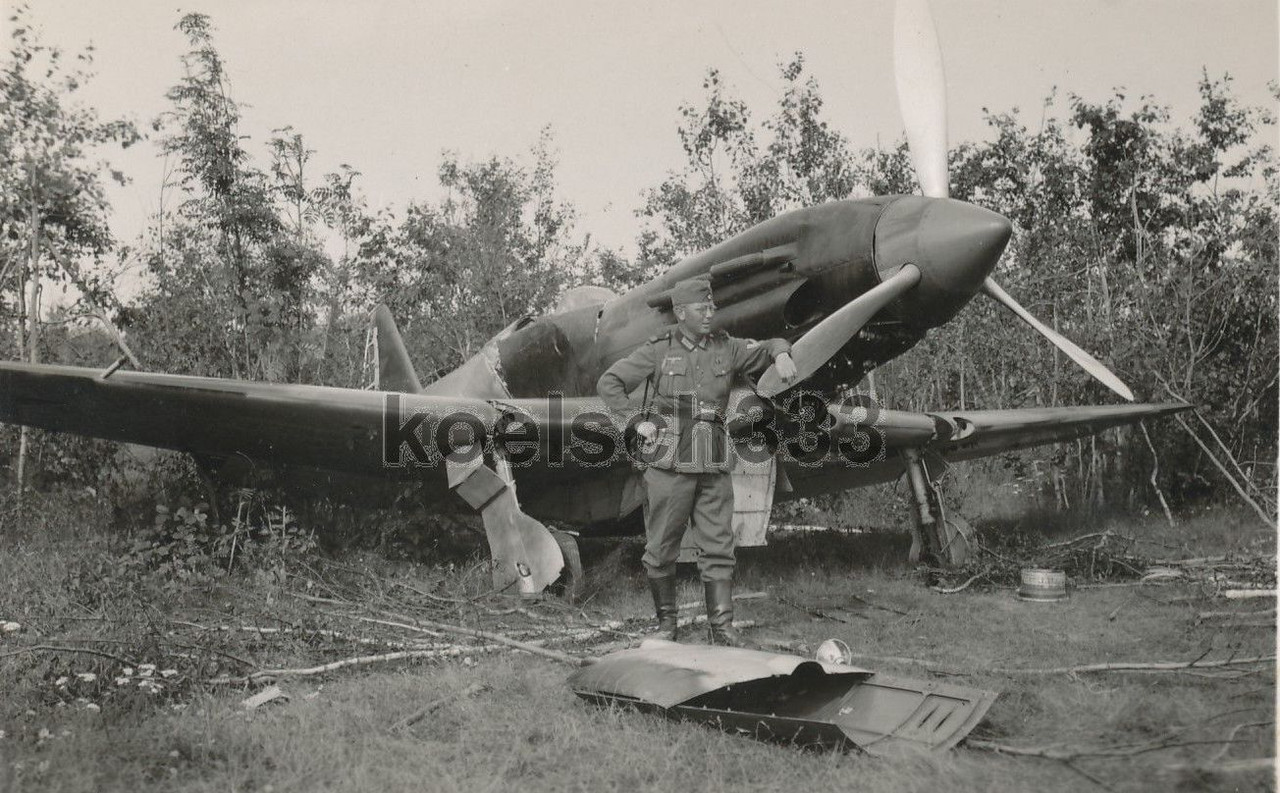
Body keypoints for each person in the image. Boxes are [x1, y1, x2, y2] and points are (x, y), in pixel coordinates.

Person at [597, 275, 797, 645]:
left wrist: (782, 353)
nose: (710, 313)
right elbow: (610, 382)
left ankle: (721, 628)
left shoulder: (727, 348)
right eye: (702, 308)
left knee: (719, 547)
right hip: (669, 463)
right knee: (661, 548)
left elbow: (772, 344)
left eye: (712, 307)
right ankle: (666, 626)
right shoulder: (658, 350)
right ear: (680, 312)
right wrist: (635, 420)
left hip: (714, 461)